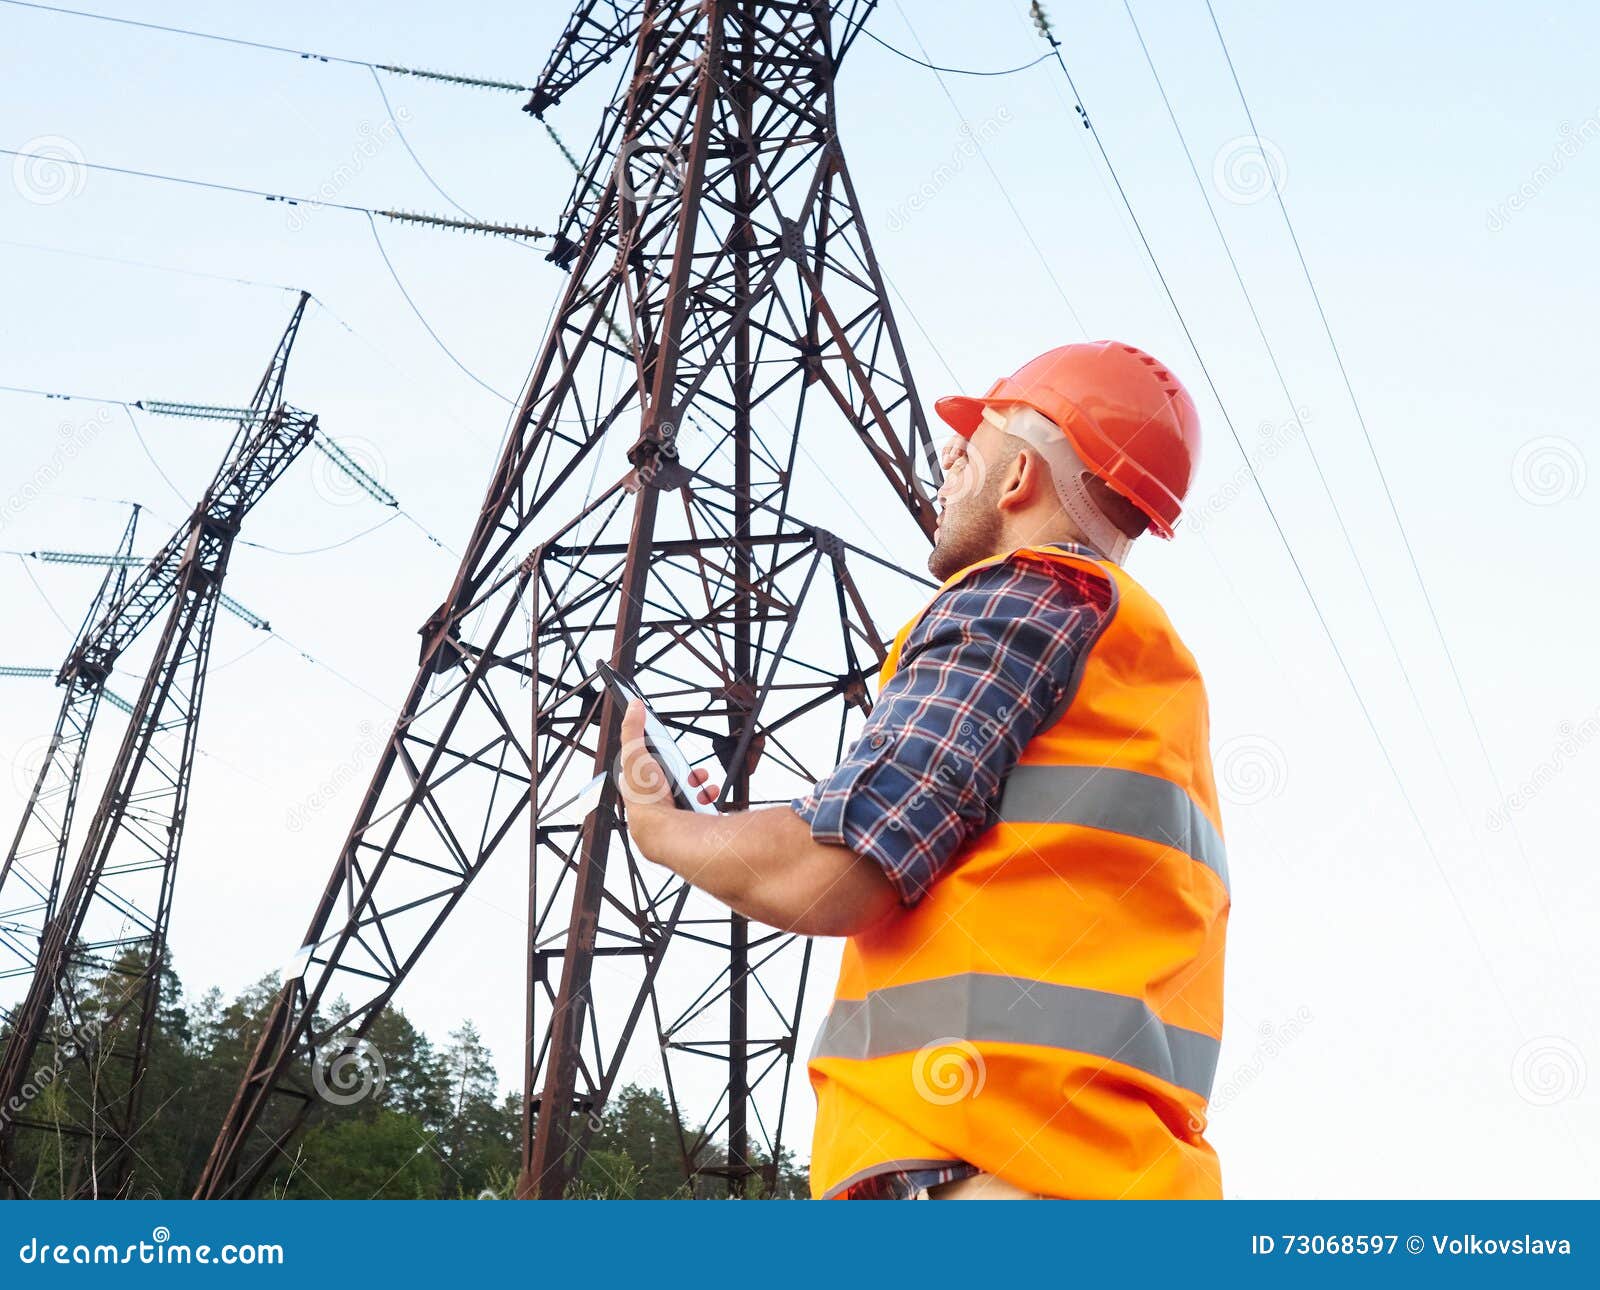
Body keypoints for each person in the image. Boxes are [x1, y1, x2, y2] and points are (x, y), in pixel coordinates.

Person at [617, 341, 1230, 1200]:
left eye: (967, 448)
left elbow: (835, 874)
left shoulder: (1022, 597)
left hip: (978, 1176)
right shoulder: (1140, 664)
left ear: (1018, 478)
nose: (944, 461)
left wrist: (663, 828)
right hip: (1101, 1180)